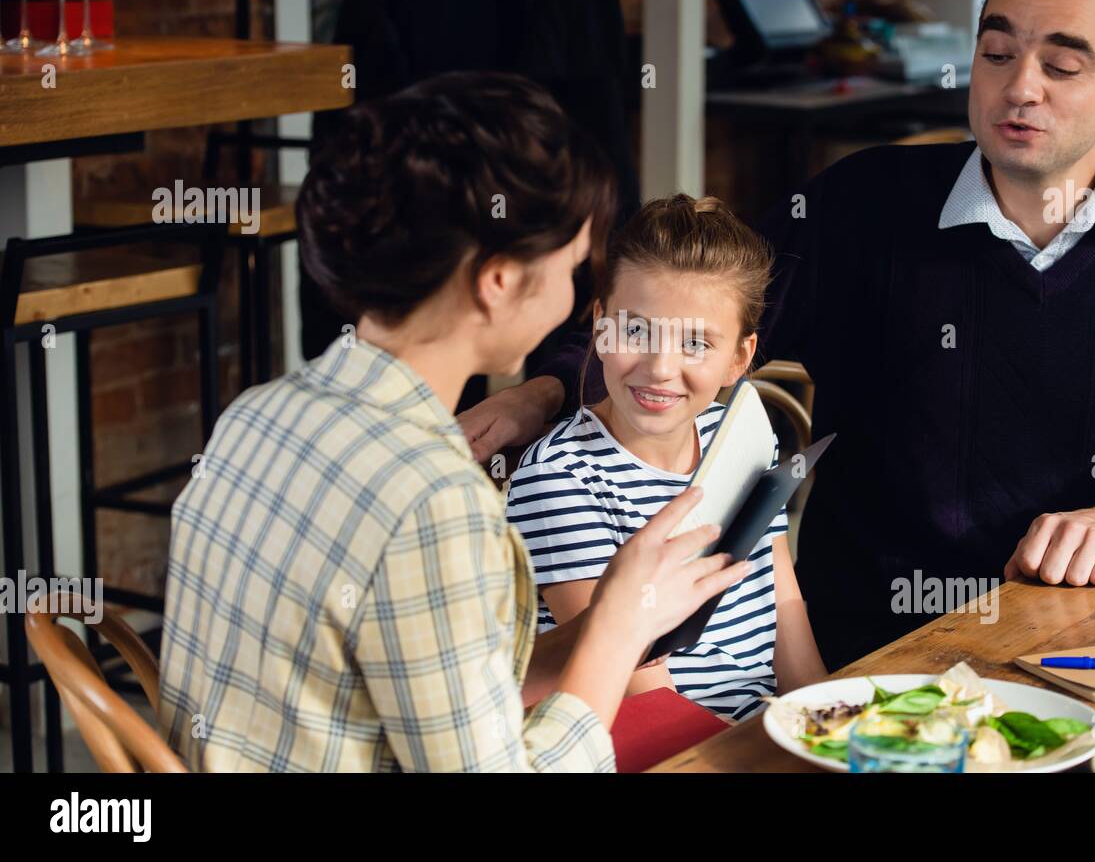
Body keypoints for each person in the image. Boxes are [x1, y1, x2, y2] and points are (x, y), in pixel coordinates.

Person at [459, 0, 1095, 671]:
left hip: (1070, 620)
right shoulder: (862, 201)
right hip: (867, 635)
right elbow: (692, 316)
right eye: (997, 54)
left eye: (1064, 64)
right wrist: (548, 388)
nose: (1021, 88)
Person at [156, 73, 751, 771]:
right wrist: (618, 633)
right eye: (569, 268)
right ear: (499, 281)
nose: (570, 297)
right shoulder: (433, 501)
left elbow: (442, 679)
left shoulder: (258, 414)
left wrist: (615, 617)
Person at [505, 195, 828, 721]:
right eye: (636, 330)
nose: (660, 367)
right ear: (601, 328)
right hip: (664, 743)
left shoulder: (741, 432)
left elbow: (781, 596)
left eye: (695, 342)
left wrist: (825, 718)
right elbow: (645, 695)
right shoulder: (558, 480)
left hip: (765, 726)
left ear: (739, 359)